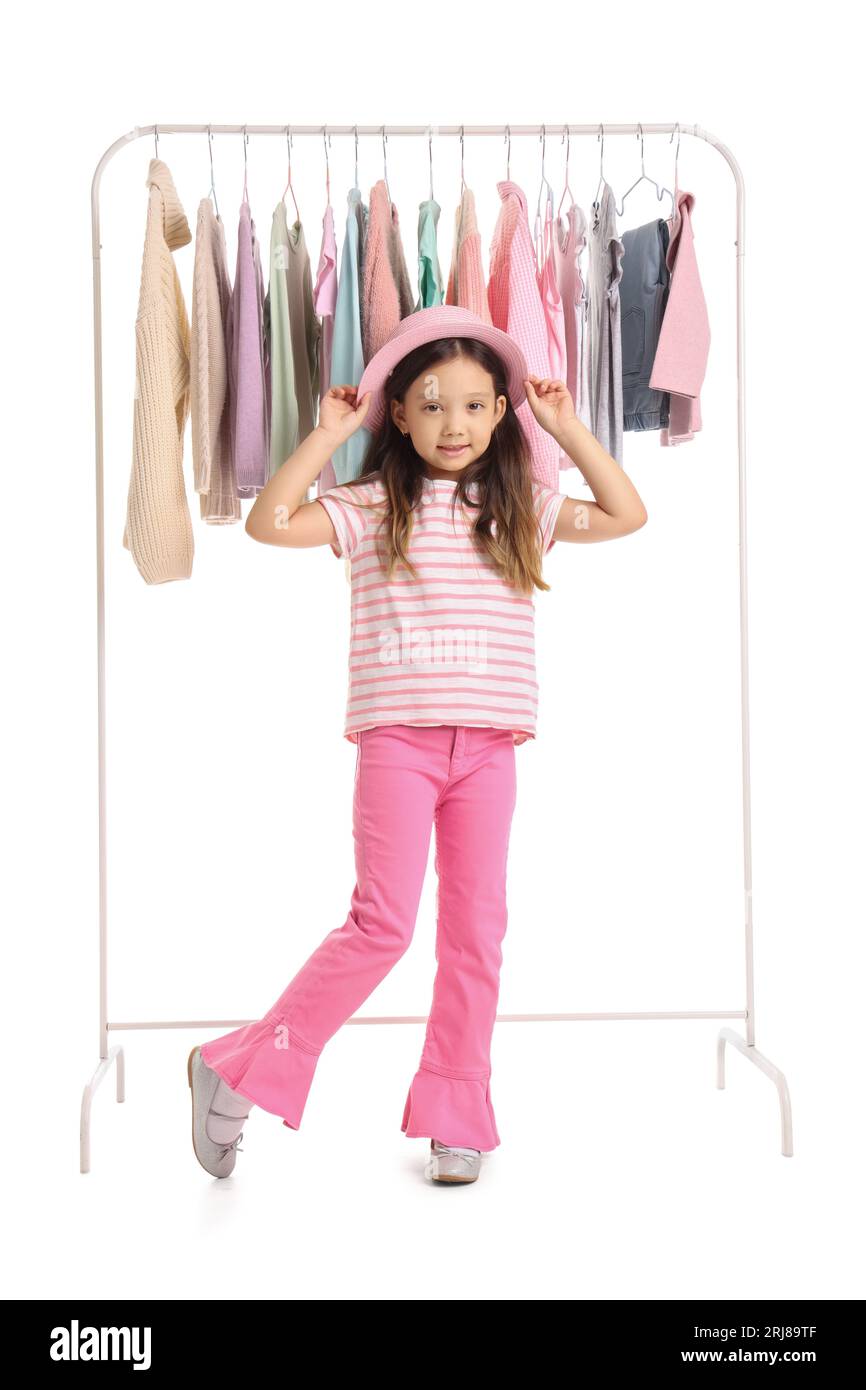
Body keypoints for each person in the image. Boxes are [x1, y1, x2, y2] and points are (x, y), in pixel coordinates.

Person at [188, 305, 648, 1184]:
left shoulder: (521, 505)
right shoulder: (366, 507)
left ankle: (456, 1110)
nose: (455, 424)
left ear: (501, 415)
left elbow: (625, 514)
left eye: (477, 406)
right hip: (397, 741)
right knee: (382, 926)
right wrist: (329, 434)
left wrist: (566, 426)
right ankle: (242, 1067)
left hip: (490, 750)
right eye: (433, 405)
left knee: (477, 932)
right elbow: (270, 522)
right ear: (397, 412)